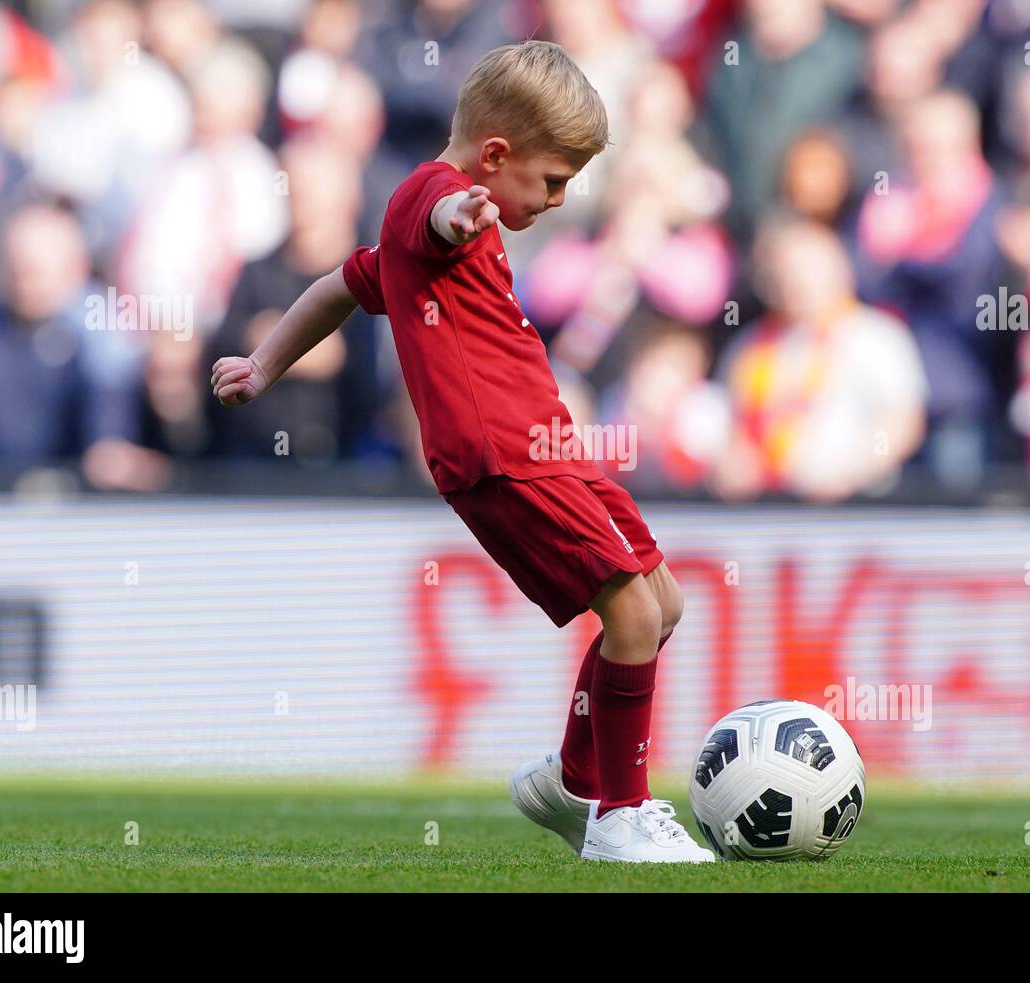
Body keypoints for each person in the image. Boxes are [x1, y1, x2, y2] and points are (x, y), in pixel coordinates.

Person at [209, 40, 712, 863]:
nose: (556, 199)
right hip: (502, 456)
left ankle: (572, 777)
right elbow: (435, 218)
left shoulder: (438, 230)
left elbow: (342, 284)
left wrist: (265, 362)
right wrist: (459, 216)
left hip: (550, 445)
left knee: (663, 604)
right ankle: (620, 812)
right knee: (628, 611)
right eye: (551, 180)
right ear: (494, 156)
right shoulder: (433, 198)